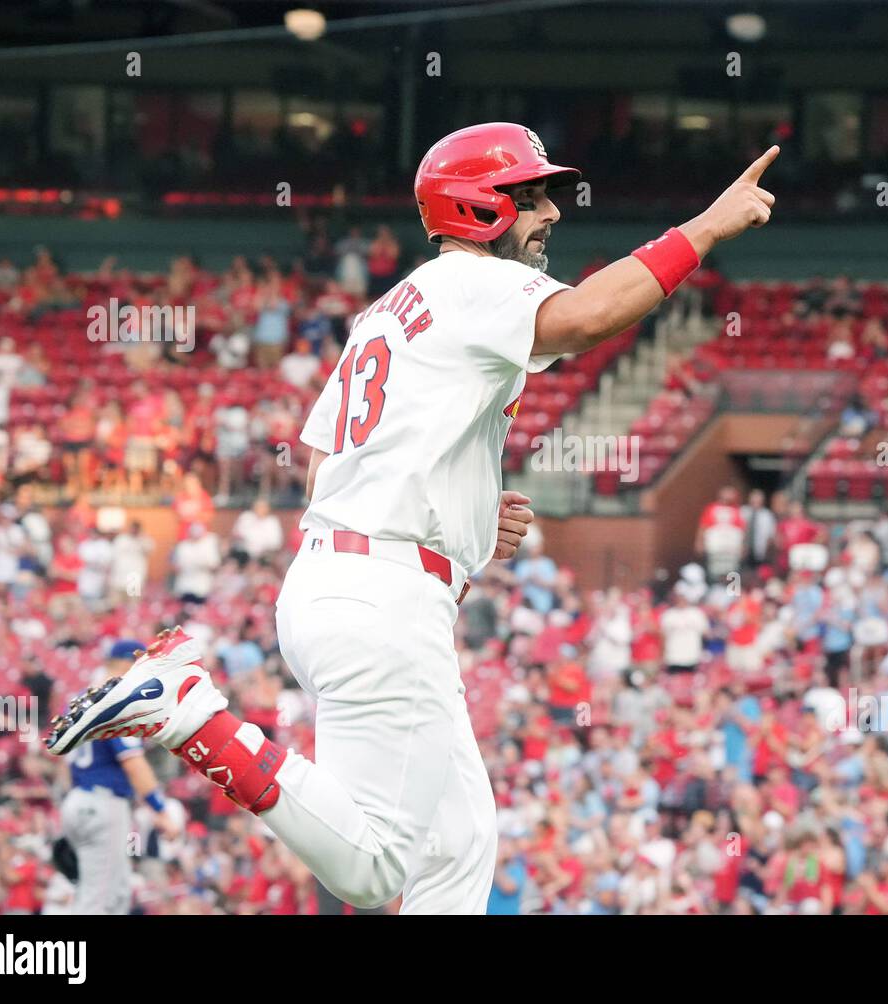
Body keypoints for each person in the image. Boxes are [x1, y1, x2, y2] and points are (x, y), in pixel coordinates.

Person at [45, 121, 778, 914]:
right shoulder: (473, 281)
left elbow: (331, 466)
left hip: (343, 579)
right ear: (476, 209)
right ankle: (187, 711)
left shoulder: (387, 310)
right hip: (385, 597)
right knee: (373, 870)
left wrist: (456, 507)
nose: (552, 213)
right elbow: (587, 318)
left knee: (461, 847)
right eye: (529, 196)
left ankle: (185, 708)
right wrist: (706, 227)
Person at [58, 640, 180, 914]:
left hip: (80, 798)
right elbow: (134, 764)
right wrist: (160, 810)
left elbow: (64, 764)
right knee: (98, 901)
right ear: (130, 663)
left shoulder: (81, 699)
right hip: (103, 804)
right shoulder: (116, 700)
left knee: (115, 895)